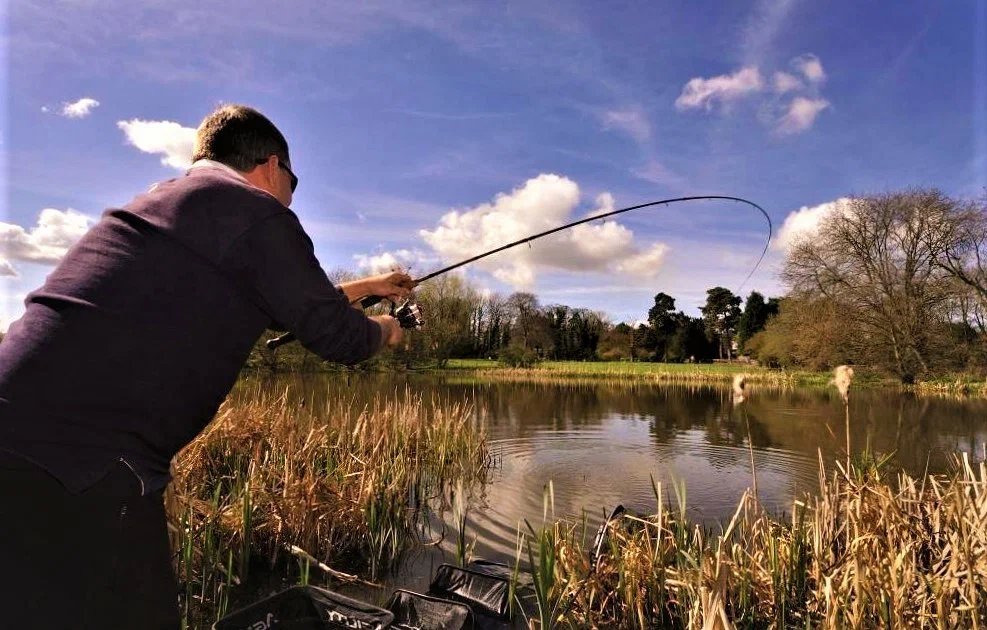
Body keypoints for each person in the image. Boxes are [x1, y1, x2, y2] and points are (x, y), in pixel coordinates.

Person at [0, 104, 414, 628]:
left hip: (24, 440)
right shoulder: (258, 213)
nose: (292, 194)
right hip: (83, 464)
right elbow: (338, 335)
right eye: (294, 180)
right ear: (271, 166)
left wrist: (366, 288)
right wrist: (388, 329)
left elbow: (280, 299)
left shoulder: (172, 205)